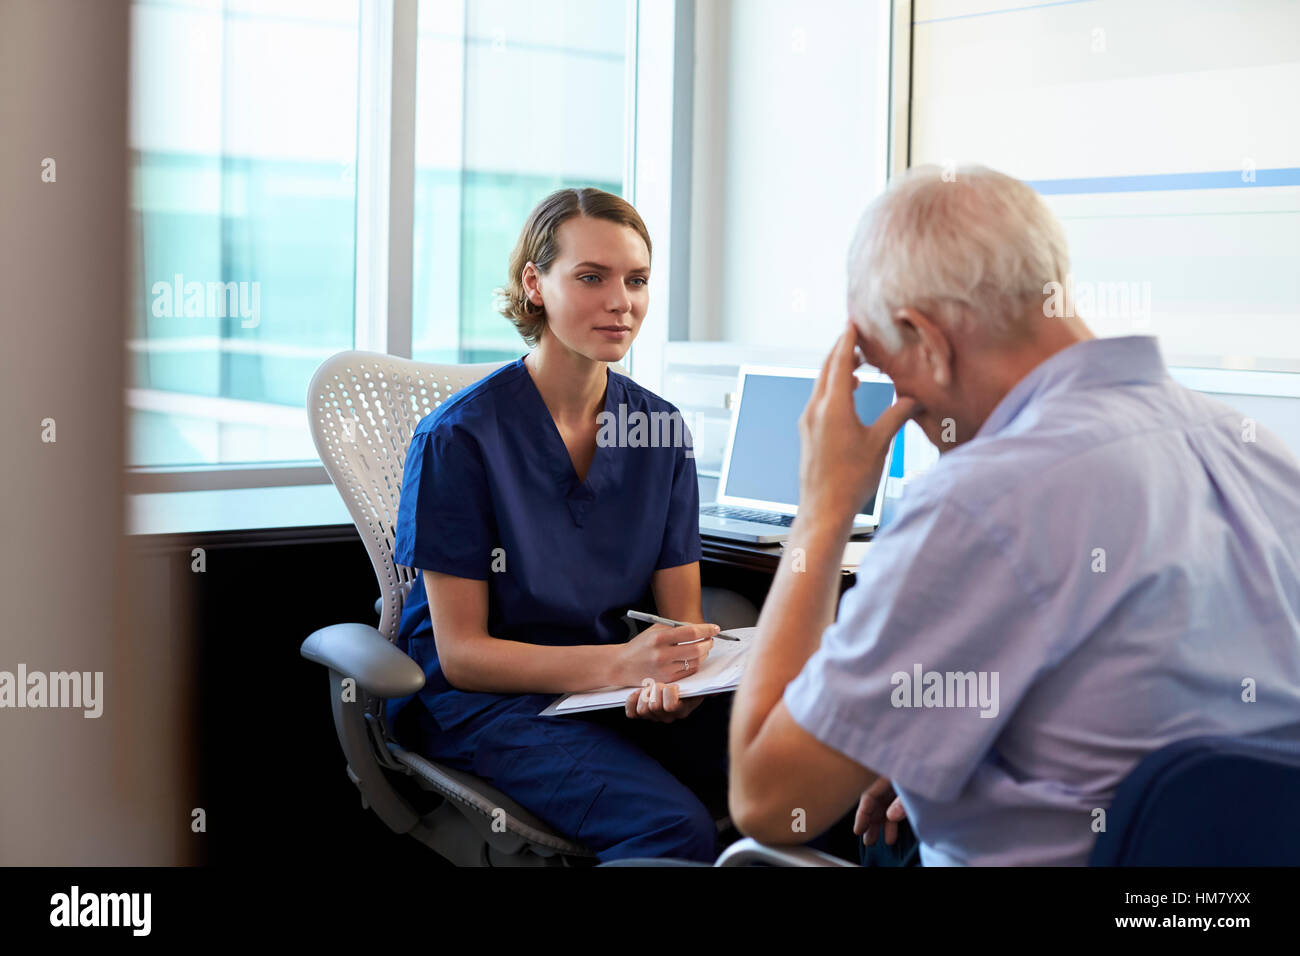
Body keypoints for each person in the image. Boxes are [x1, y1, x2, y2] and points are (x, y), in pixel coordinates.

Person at [727, 164, 1300, 865]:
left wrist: (823, 509)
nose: (896, 403)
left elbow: (766, 798)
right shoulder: (1257, 453)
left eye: (884, 367)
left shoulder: (981, 503)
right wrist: (915, 734)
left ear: (926, 339)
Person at [386, 187, 733, 863]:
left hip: (611, 691)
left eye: (636, 280)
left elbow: (681, 620)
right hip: (489, 703)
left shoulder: (659, 430)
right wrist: (622, 665)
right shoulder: (458, 438)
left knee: (801, 777)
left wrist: (675, 680)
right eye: (591, 277)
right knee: (672, 830)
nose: (621, 302)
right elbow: (463, 656)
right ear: (533, 285)